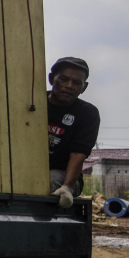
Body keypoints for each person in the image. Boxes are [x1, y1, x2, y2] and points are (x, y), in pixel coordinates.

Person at [47, 56, 99, 209]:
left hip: (65, 176)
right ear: (51, 79)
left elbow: (78, 155)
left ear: (84, 87)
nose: (69, 86)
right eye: (63, 79)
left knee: (50, 179)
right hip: (29, 168)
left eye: (76, 83)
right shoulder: (35, 103)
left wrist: (67, 187)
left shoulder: (87, 113)